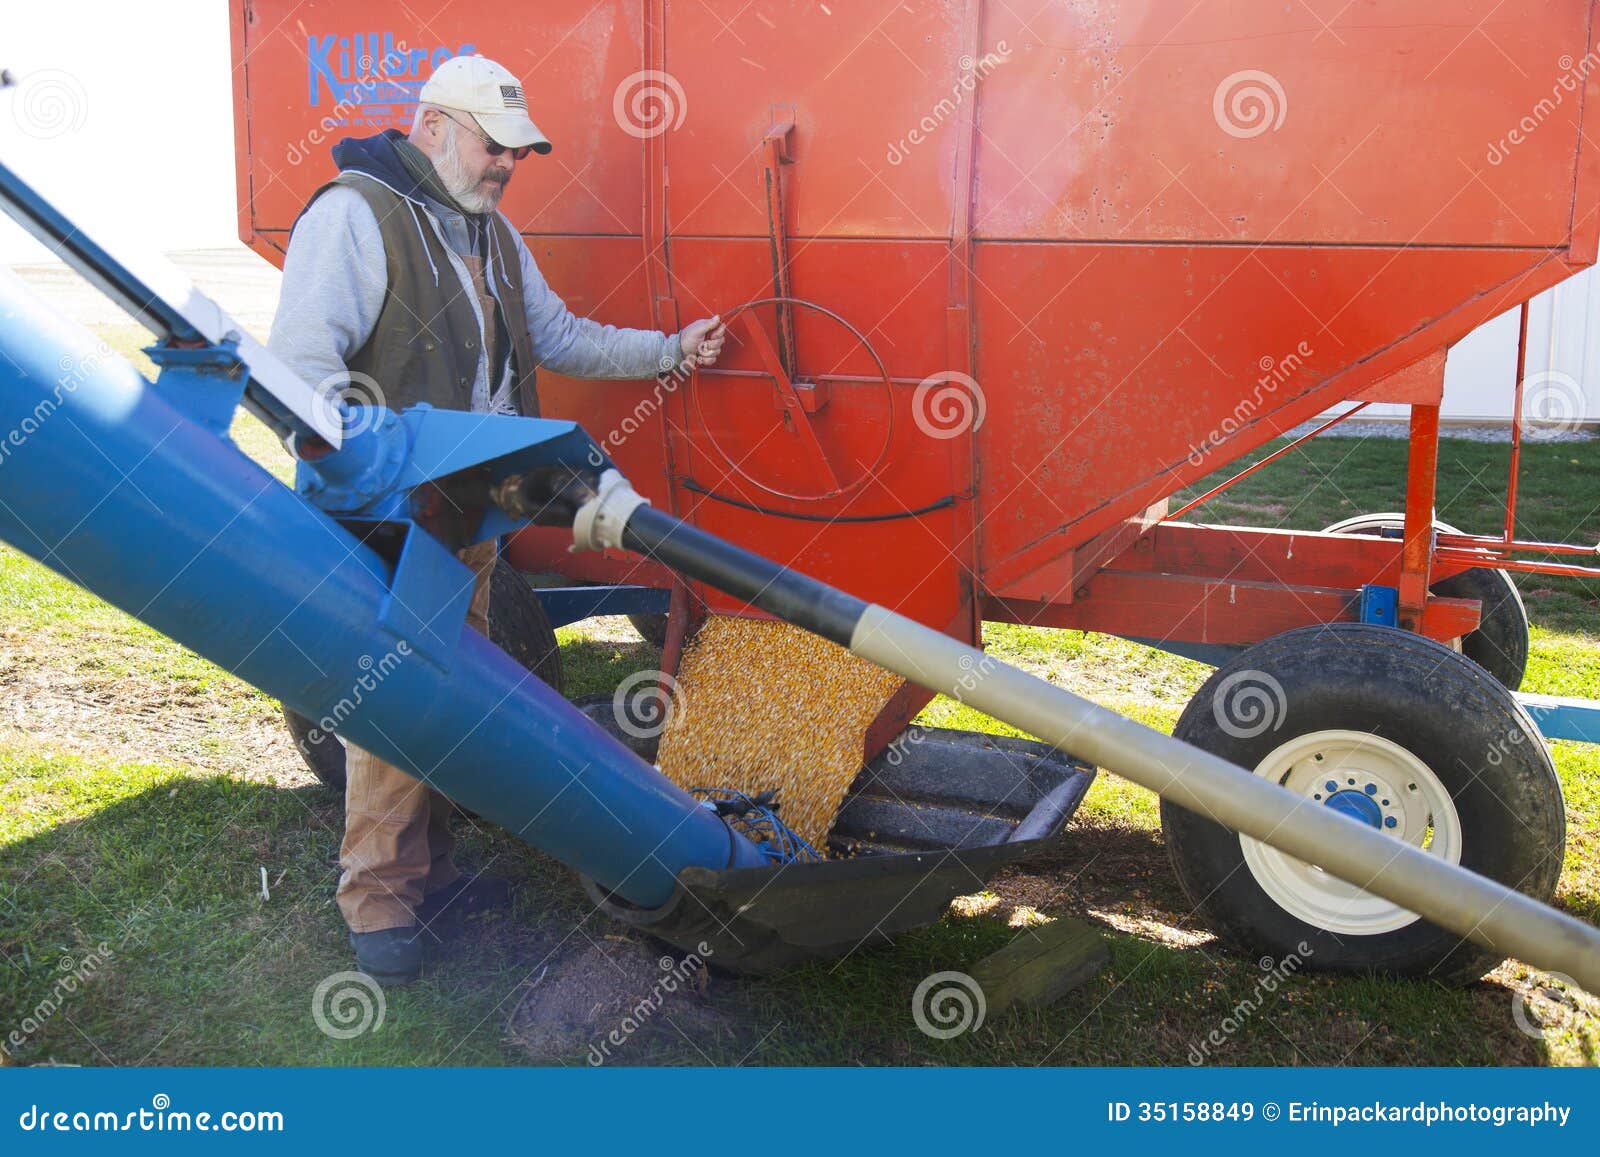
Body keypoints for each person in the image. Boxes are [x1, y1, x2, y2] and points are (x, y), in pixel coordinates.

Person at [267, 53, 726, 983]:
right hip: (393, 516)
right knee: (395, 710)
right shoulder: (355, 216)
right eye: (492, 145)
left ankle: (429, 873)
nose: (506, 165)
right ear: (434, 124)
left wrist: (671, 348)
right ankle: (380, 907)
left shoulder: (489, 233)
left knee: (448, 701)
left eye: (516, 151)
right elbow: (302, 377)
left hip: (471, 514)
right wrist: (379, 469)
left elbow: (561, 338)